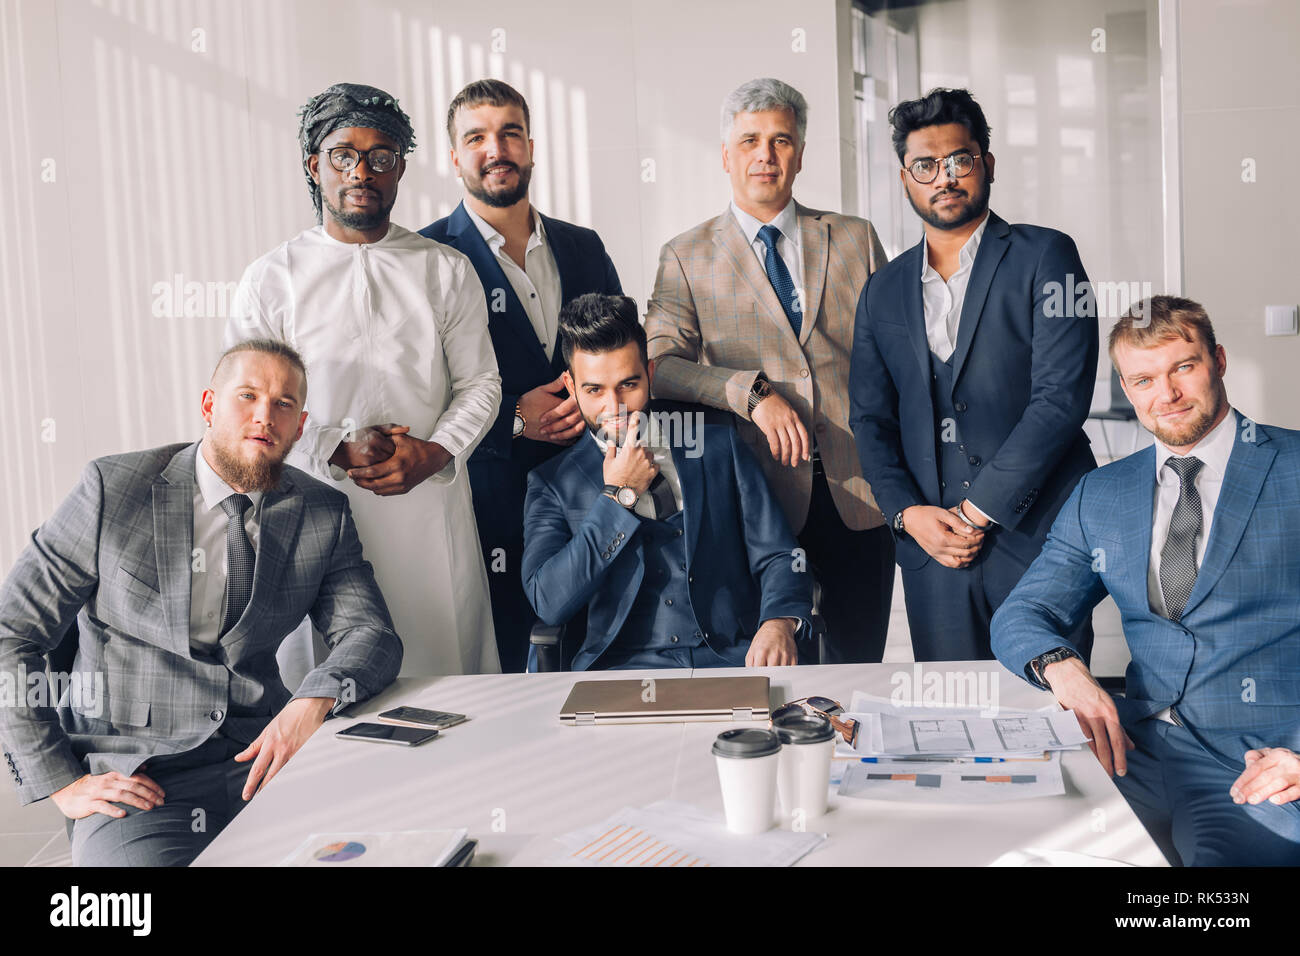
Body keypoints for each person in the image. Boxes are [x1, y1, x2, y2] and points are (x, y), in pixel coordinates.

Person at [0, 340, 402, 866]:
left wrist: (312, 702)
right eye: (248, 396)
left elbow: (368, 633)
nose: (265, 416)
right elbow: (13, 633)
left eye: (284, 404)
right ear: (210, 405)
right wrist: (61, 782)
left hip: (264, 761)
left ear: (300, 427)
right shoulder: (113, 489)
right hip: (138, 778)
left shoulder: (322, 512)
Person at [991, 296, 1300, 866]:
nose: (1168, 395)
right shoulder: (1101, 494)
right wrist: (1063, 670)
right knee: (1003, 845)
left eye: (1184, 367)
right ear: (1127, 390)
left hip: (1259, 760)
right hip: (1131, 749)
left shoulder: (1294, 468)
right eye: (1144, 379)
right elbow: (1022, 614)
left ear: (1220, 362)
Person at [228, 82, 502, 676]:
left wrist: (435, 451)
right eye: (343, 155)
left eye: (381, 156)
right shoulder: (271, 279)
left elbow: (481, 384)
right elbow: (252, 407)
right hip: (313, 506)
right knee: (326, 700)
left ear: (400, 168)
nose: (362, 171)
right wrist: (332, 447)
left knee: (448, 684)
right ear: (315, 165)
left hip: (429, 509)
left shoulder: (444, 269)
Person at [644, 77, 893, 665]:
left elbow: (893, 355)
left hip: (859, 492)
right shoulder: (686, 254)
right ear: (726, 156)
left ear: (800, 155)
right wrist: (749, 393)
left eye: (781, 141)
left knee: (861, 666)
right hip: (758, 497)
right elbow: (659, 368)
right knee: (775, 674)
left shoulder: (855, 238)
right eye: (750, 140)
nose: (765, 154)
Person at [850, 87, 1097, 663]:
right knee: (950, 721)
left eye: (960, 159)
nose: (945, 177)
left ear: (986, 164)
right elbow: (869, 418)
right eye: (926, 165)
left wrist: (976, 510)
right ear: (906, 177)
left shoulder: (1049, 256)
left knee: (1050, 709)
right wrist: (909, 515)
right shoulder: (881, 289)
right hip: (932, 550)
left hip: (1037, 536)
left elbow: (1061, 399)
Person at [421, 79, 623, 673]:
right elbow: (424, 400)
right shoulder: (429, 258)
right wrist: (511, 417)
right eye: (476, 137)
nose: (496, 148)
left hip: (593, 494)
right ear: (455, 157)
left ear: (531, 147)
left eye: (510, 133)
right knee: (508, 676)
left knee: (601, 663)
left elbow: (619, 360)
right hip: (490, 505)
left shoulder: (583, 247)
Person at [521, 294, 813, 671]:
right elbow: (549, 600)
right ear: (570, 385)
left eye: (629, 384)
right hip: (616, 673)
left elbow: (780, 555)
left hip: (730, 662)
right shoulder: (552, 483)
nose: (615, 407)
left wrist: (778, 623)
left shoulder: (716, 445)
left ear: (651, 373)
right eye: (594, 390)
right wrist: (617, 497)